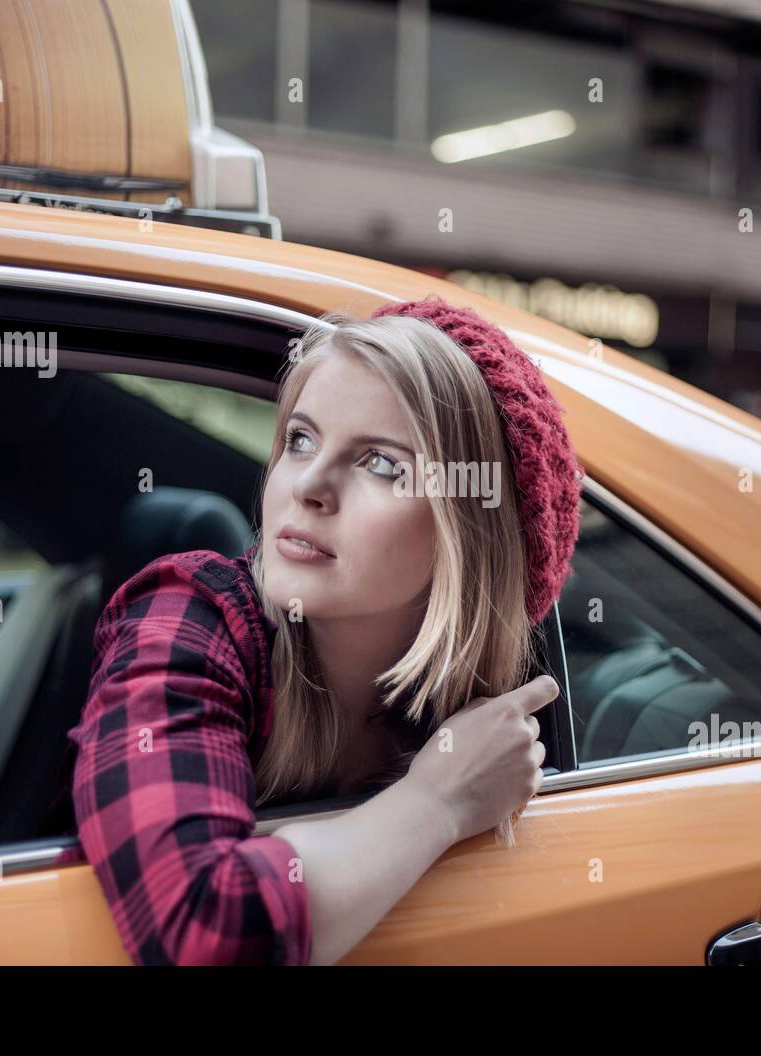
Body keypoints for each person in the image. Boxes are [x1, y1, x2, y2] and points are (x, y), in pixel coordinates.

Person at [66, 293, 584, 965]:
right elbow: (202, 932)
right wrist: (437, 805)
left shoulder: (478, 725)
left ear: (471, 537)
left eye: (380, 464)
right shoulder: (188, 615)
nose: (308, 483)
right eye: (301, 439)